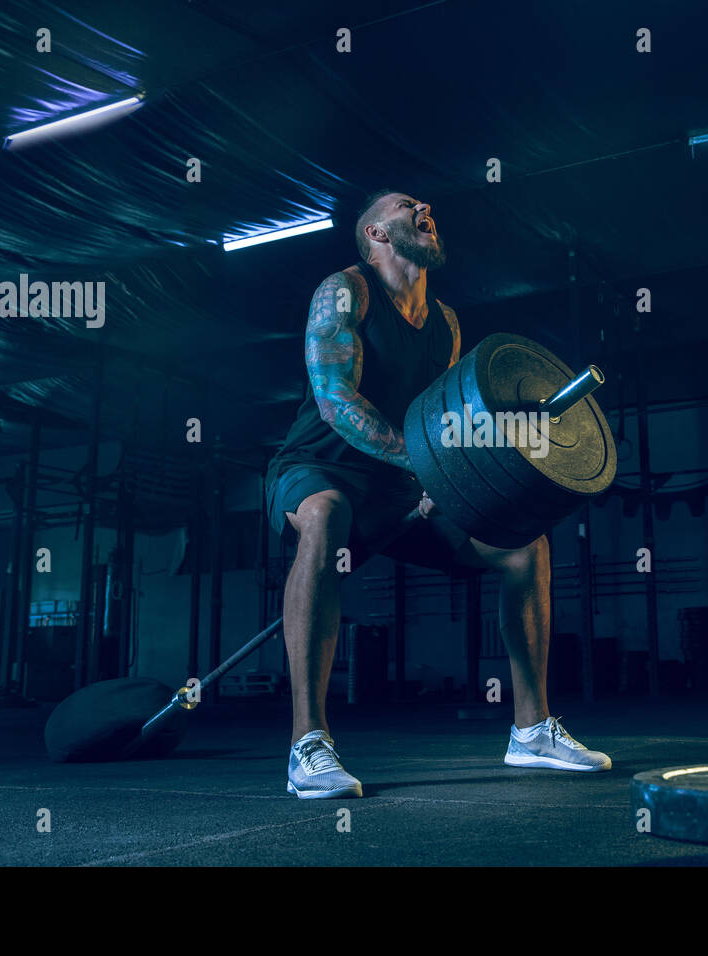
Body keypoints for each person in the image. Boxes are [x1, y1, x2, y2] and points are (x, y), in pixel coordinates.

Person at [266, 189, 611, 798]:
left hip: (400, 482)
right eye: (405, 205)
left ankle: (531, 731)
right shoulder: (344, 291)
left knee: (522, 542)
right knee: (325, 515)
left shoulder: (446, 323)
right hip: (319, 464)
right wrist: (426, 465)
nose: (423, 208)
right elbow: (336, 400)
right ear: (375, 235)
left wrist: (457, 472)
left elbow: (438, 418)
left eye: (424, 205)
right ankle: (308, 744)